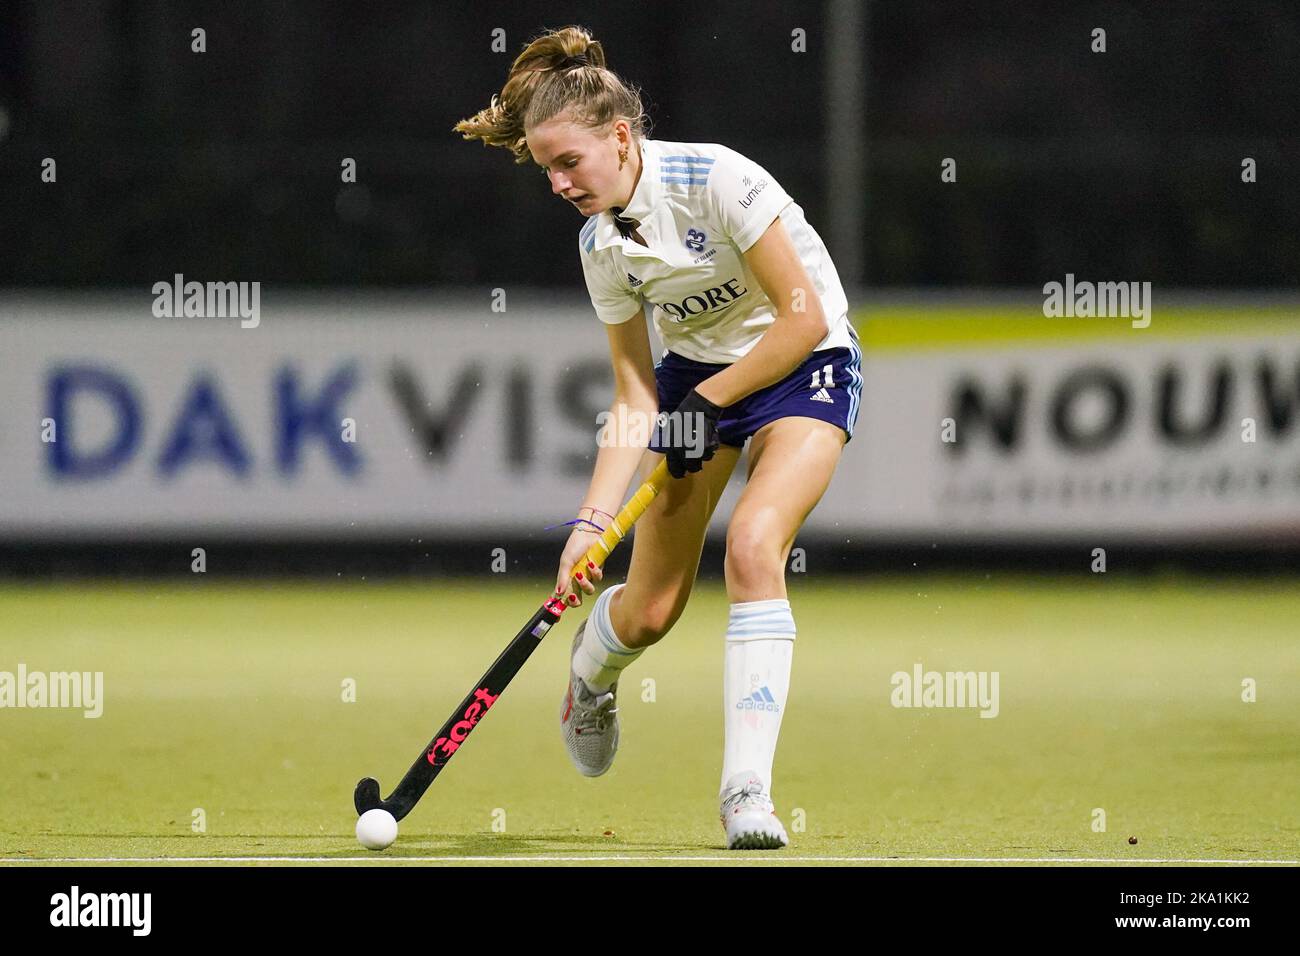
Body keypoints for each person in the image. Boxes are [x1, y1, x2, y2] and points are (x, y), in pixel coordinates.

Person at [455, 25, 861, 850]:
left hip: (803, 364)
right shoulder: (600, 245)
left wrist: (706, 401)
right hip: (692, 387)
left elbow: (801, 317)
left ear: (619, 134)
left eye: (569, 162)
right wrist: (591, 523)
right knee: (647, 612)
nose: (560, 184)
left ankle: (746, 791)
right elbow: (637, 391)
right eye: (547, 171)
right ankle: (591, 677)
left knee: (753, 544)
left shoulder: (717, 178)